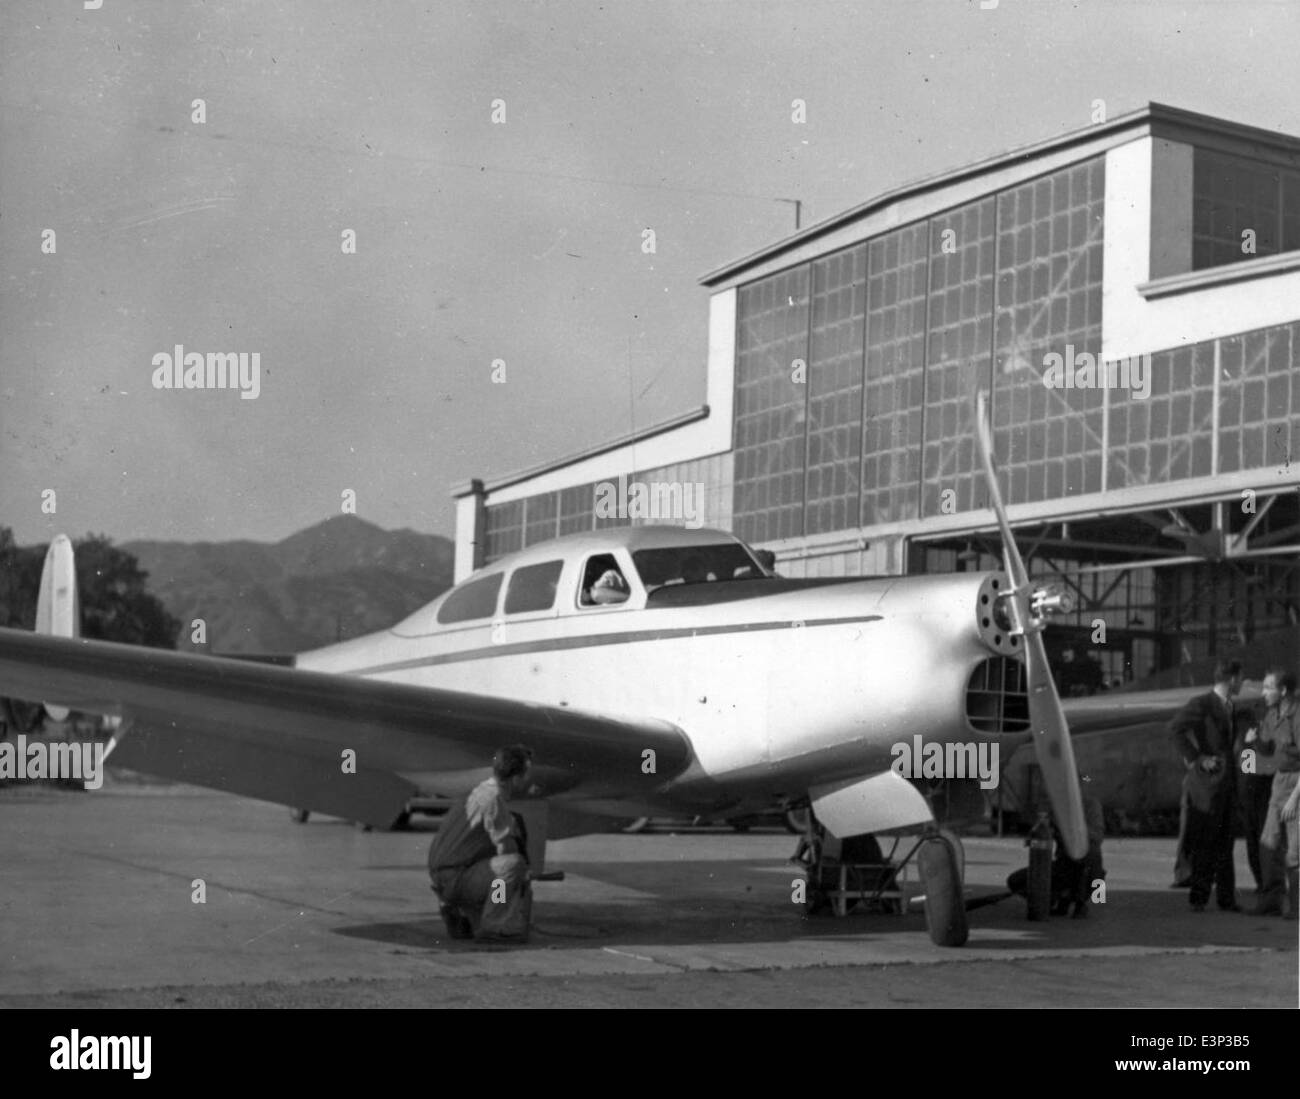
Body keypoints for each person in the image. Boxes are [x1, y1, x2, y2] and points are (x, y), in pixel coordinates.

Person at [427, 744, 535, 943]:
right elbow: (506, 849)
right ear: (516, 778)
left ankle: (461, 912)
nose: (528, 780)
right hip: (456, 877)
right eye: (526, 774)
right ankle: (494, 924)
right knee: (512, 866)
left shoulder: (481, 790)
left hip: (445, 875)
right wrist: (525, 873)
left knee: (499, 869)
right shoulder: (493, 799)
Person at [1168, 660, 1243, 913]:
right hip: (1208, 785)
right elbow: (1175, 728)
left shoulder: (1231, 706)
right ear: (1232, 679)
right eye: (1241, 679)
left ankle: (1226, 899)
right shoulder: (1202, 703)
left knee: (1226, 840)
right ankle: (1199, 897)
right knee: (1206, 841)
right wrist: (1196, 758)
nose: (1243, 683)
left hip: (1227, 783)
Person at [1007, 782, 1106, 918]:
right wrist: (1043, 827)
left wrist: (1072, 826)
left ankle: (1079, 901)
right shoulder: (1057, 806)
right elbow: (1040, 834)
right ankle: (1055, 899)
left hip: (1086, 866)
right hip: (1063, 865)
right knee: (1016, 881)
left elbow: (1097, 836)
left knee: (1091, 867)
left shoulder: (1090, 805)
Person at [1253, 669, 1300, 918]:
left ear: (1282, 691)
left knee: (1295, 853)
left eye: (1267, 687)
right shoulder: (1272, 715)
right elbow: (1265, 747)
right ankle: (1271, 901)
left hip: (1297, 784)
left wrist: (1294, 799)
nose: (1263, 692)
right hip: (1280, 781)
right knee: (1268, 844)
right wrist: (1255, 742)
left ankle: (1297, 907)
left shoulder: (1298, 715)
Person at [1235, 692, 1274, 894]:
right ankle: (1263, 884)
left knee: (1256, 842)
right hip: (1255, 793)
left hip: (1253, 793)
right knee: (1259, 841)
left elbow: (1249, 767)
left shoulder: (1249, 735)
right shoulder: (1250, 734)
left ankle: (1264, 885)